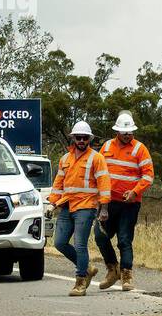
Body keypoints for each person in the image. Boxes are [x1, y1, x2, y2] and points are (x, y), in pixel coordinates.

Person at [48, 121, 111, 296]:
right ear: (73, 138)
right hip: (67, 205)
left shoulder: (96, 158)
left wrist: (104, 208)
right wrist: (53, 202)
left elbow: (104, 184)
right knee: (59, 243)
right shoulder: (65, 159)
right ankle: (87, 267)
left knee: (80, 244)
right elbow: (58, 184)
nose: (81, 140)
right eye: (78, 137)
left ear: (89, 139)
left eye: (85, 138)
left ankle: (80, 282)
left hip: (86, 205)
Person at [94, 111, 153, 291]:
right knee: (100, 236)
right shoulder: (106, 147)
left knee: (124, 239)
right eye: (124, 132)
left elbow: (148, 175)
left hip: (129, 204)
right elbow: (98, 172)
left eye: (130, 132)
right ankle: (113, 269)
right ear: (117, 131)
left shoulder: (140, 149)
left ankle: (126, 275)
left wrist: (135, 192)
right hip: (108, 203)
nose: (127, 135)